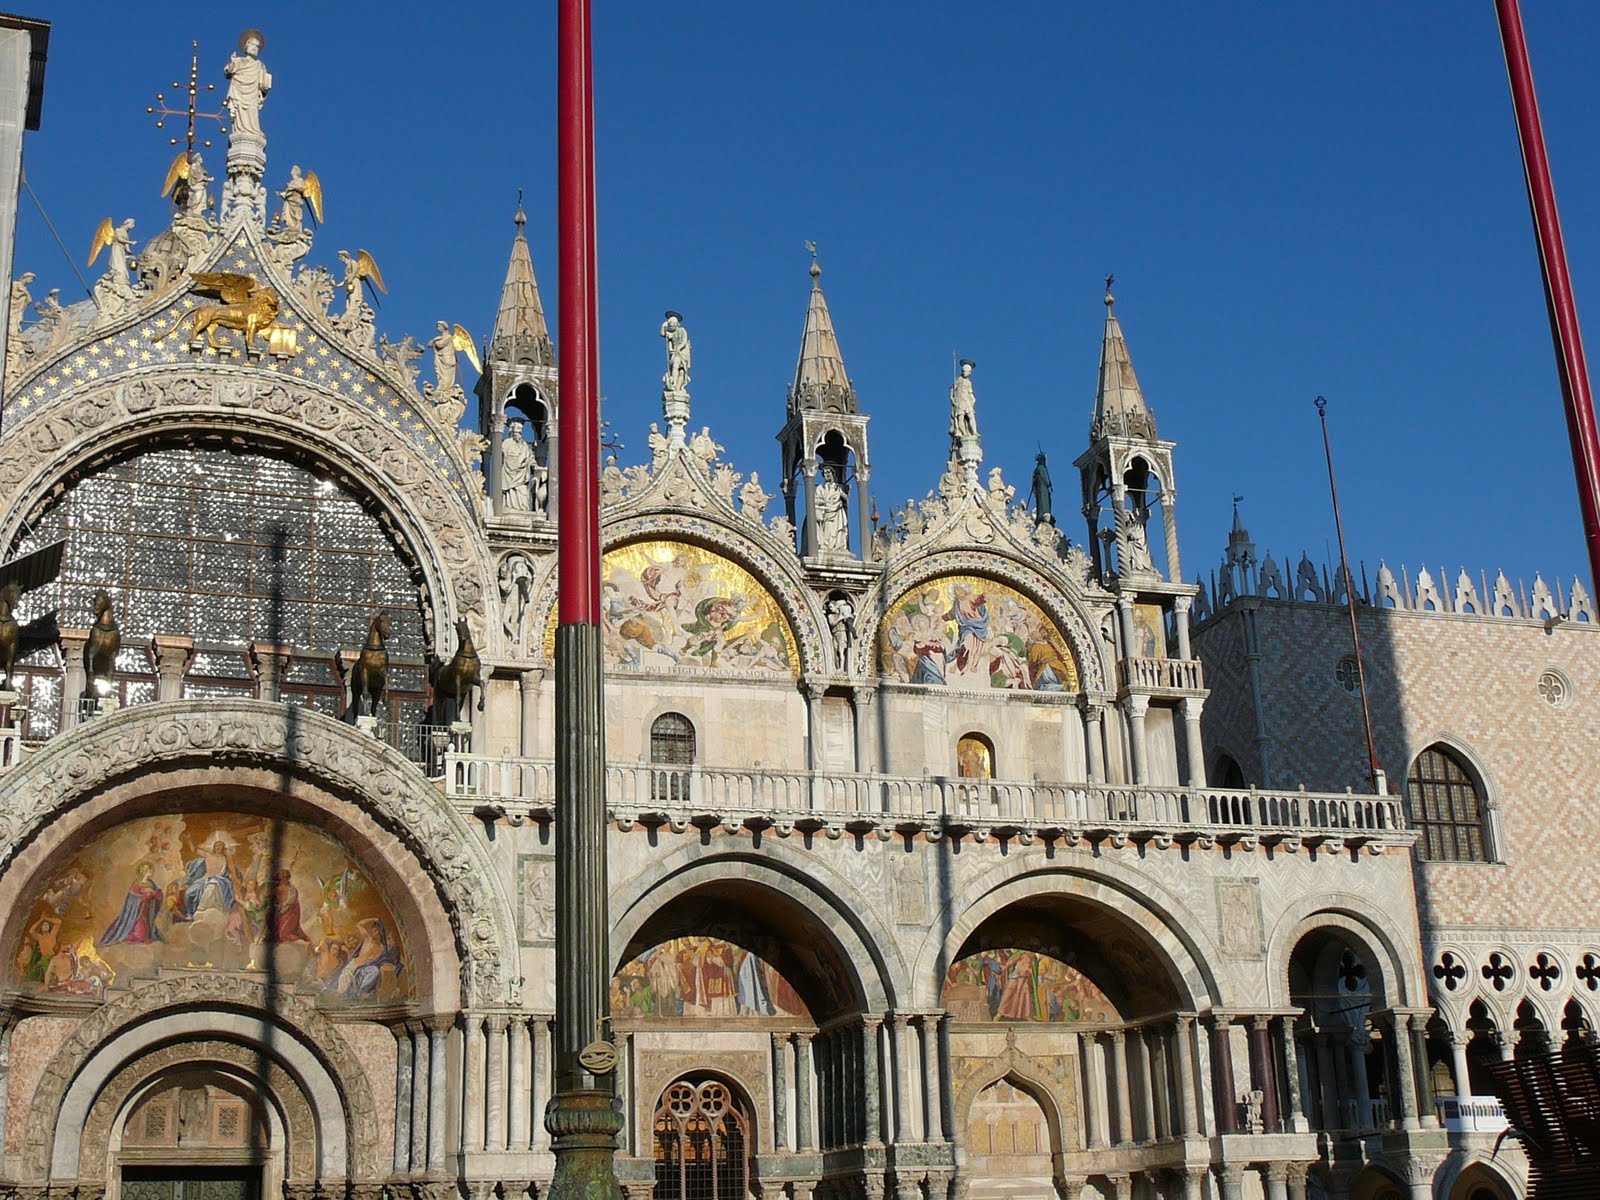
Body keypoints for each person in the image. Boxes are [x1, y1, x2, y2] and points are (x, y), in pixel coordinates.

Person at [224, 30, 272, 139]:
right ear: (246, 46)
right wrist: (232, 62)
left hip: (253, 94)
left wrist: (265, 84)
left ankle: (253, 130)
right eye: (253, 45)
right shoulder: (239, 61)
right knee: (240, 112)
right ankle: (240, 130)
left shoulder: (259, 65)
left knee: (252, 111)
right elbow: (228, 71)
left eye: (257, 47)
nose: (255, 48)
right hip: (239, 93)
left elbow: (263, 84)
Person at [814, 469, 849, 552]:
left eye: (829, 472)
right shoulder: (820, 488)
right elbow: (816, 500)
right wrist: (825, 501)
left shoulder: (837, 488)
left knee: (839, 530)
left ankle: (839, 547)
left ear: (832, 474)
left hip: (837, 511)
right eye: (825, 473)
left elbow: (846, 498)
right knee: (828, 532)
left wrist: (842, 494)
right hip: (827, 512)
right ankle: (827, 546)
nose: (827, 474)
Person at [501, 420, 532, 511]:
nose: (520, 431)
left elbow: (530, 458)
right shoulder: (506, 443)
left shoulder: (525, 445)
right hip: (509, 473)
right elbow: (501, 456)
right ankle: (508, 506)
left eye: (521, 429)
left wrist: (533, 465)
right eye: (518, 428)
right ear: (512, 430)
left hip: (521, 475)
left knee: (523, 492)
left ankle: (522, 508)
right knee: (510, 493)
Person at [660, 310, 691, 393]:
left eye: (671, 324)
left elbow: (684, 341)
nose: (670, 325)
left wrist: (679, 348)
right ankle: (673, 383)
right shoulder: (671, 333)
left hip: (683, 353)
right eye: (669, 324)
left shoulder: (682, 330)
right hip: (675, 353)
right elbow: (662, 334)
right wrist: (664, 325)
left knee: (682, 372)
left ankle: (678, 388)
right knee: (675, 364)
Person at [950, 358, 978, 441]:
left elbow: (970, 393)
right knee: (960, 418)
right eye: (964, 371)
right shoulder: (957, 380)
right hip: (959, 402)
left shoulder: (969, 382)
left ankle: (974, 432)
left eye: (968, 372)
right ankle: (964, 434)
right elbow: (952, 391)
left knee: (971, 416)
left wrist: (973, 399)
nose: (966, 373)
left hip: (967, 401)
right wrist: (952, 400)